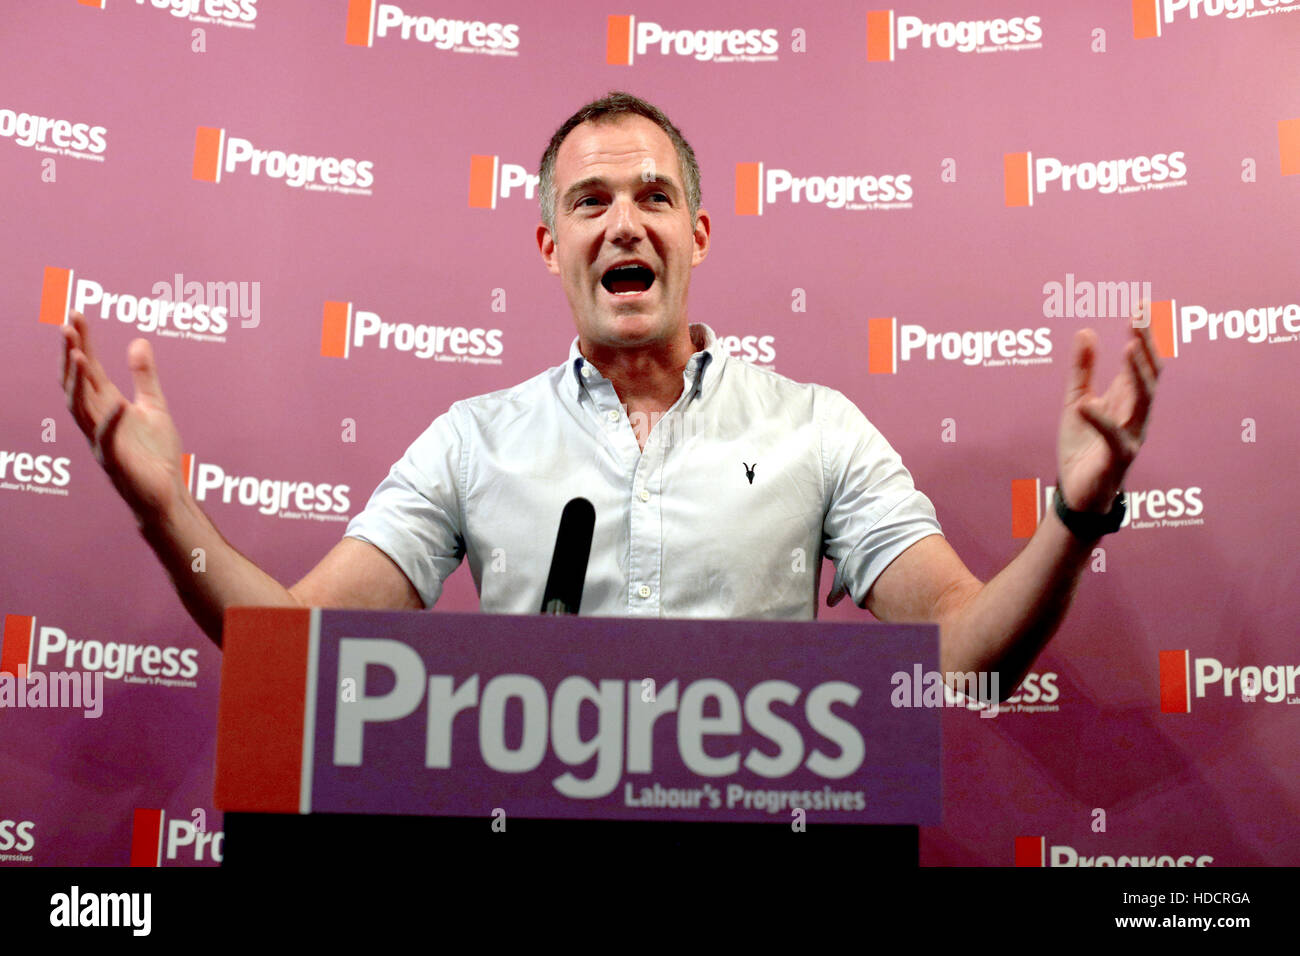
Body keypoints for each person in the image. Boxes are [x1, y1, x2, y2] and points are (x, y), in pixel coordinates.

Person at [59, 92, 1161, 698]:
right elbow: (290, 647)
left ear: (696, 233)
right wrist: (167, 511)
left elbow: (965, 659)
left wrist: (1069, 520)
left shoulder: (816, 428)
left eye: (652, 195)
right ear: (549, 245)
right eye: (588, 201)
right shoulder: (473, 440)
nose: (622, 222)